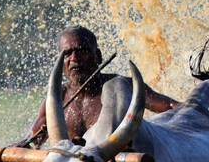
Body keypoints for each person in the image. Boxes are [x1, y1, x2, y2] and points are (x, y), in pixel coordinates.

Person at [18, 26, 180, 148]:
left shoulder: (123, 87)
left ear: (99, 56)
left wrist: (193, 115)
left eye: (82, 51)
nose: (75, 58)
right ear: (60, 63)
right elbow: (32, 141)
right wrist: (19, 147)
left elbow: (171, 107)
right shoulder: (58, 97)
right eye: (67, 53)